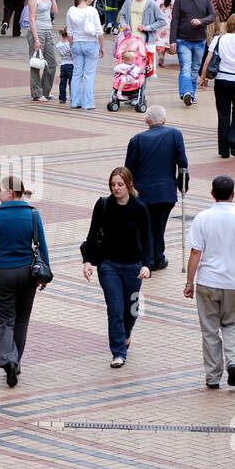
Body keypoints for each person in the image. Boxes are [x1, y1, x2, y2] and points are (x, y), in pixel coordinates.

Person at [184, 175, 235, 388]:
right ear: (233, 194)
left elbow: (195, 252)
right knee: (234, 324)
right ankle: (234, 362)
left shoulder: (202, 218)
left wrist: (190, 282)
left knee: (210, 330)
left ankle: (212, 376)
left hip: (208, 282)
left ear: (212, 194)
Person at [82, 166, 152, 367]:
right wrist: (87, 260)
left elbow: (148, 240)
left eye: (120, 184)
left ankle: (126, 334)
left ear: (129, 184)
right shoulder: (104, 205)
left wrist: (147, 265)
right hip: (109, 266)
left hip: (133, 267)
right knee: (115, 309)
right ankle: (118, 352)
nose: (116, 188)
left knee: (131, 311)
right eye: (113, 184)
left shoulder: (140, 209)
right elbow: (93, 234)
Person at [0, 176, 50, 386]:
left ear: (10, 193)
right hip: (27, 273)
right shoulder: (33, 213)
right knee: (22, 319)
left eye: (0, 190)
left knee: (6, 319)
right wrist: (44, 275)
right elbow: (42, 246)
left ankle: (8, 360)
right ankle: (16, 362)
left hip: (3, 273)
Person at [124, 106, 188, 270]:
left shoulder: (136, 140)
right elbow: (183, 163)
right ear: (164, 121)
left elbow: (128, 169)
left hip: (143, 193)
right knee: (159, 225)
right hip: (166, 192)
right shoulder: (175, 134)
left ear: (146, 121)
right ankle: (158, 257)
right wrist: (183, 184)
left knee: (144, 226)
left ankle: (147, 259)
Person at [199, 13, 235, 159]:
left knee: (223, 114)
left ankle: (224, 150)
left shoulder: (218, 40)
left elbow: (207, 61)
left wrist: (203, 77)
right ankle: (233, 137)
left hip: (221, 80)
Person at [169, 0, 217, 106]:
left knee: (195, 68)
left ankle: (191, 95)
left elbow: (213, 15)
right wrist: (172, 40)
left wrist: (201, 21)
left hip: (200, 40)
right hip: (182, 40)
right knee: (185, 67)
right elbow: (175, 20)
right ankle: (186, 92)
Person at [66, 0, 104, 110]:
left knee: (76, 74)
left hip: (76, 43)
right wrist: (102, 47)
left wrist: (71, 47)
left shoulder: (71, 10)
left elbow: (69, 32)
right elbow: (99, 31)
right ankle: (87, 103)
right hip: (90, 44)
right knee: (89, 74)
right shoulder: (92, 11)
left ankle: (75, 101)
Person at [27, 0, 58, 102]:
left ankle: (46, 91)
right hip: (37, 31)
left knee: (52, 63)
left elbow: (55, 12)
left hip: (48, 30)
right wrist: (36, 39)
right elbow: (32, 19)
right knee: (36, 63)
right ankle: (36, 93)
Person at [55, 26, 73, 103]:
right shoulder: (70, 45)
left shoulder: (59, 44)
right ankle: (73, 97)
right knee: (72, 83)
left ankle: (62, 98)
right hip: (71, 64)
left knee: (62, 82)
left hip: (63, 64)